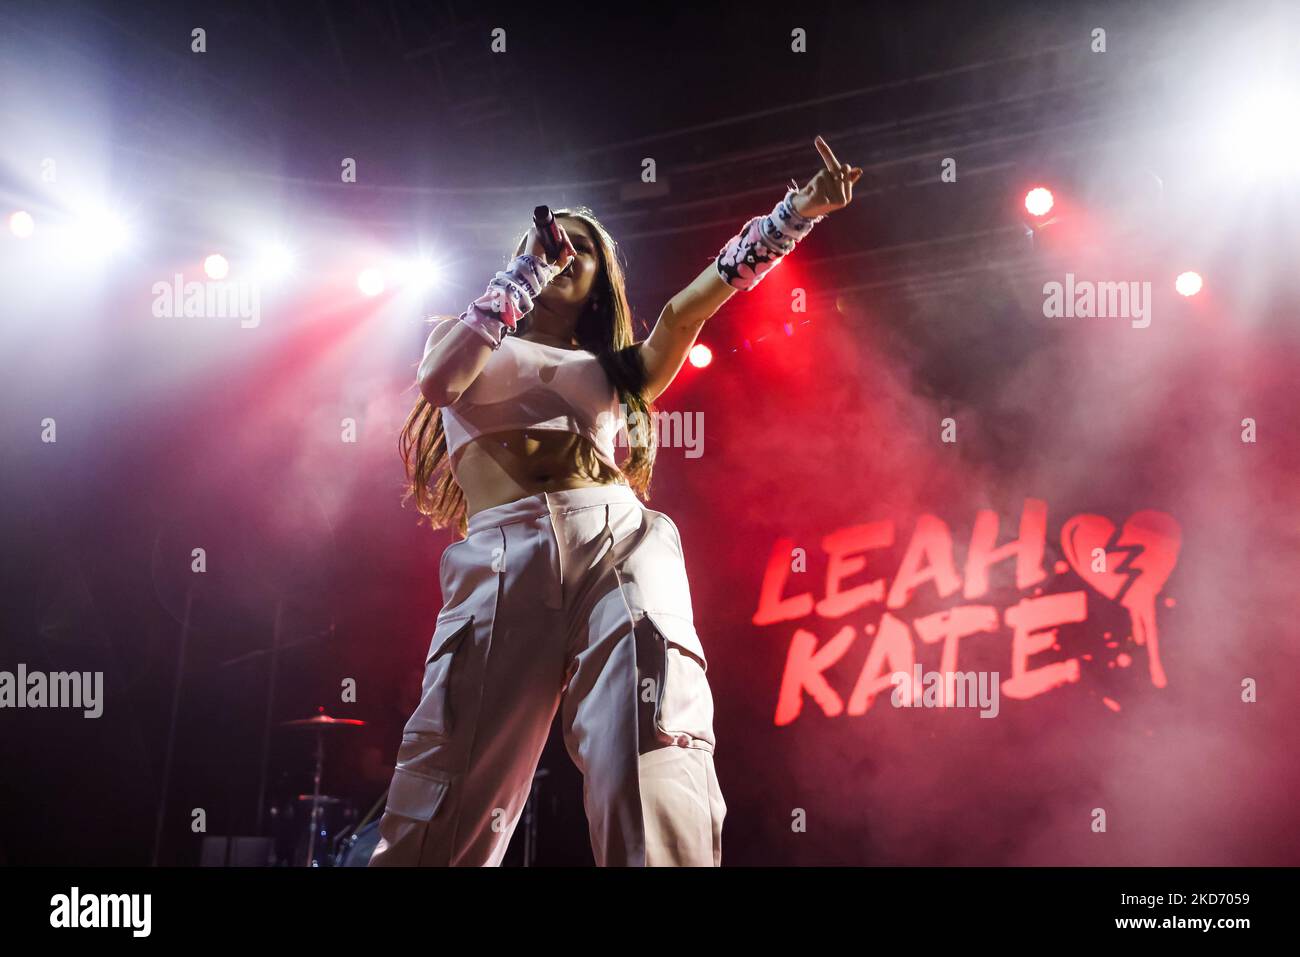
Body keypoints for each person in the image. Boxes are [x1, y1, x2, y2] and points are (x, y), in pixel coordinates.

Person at [369, 136, 862, 866]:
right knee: (455, 778)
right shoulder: (464, 336)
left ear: (599, 280)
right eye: (552, 240)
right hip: (506, 554)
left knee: (654, 745)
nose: (565, 249)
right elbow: (442, 383)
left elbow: (693, 305)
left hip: (617, 545)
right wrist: (530, 269)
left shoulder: (617, 369)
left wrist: (797, 213)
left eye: (581, 247)